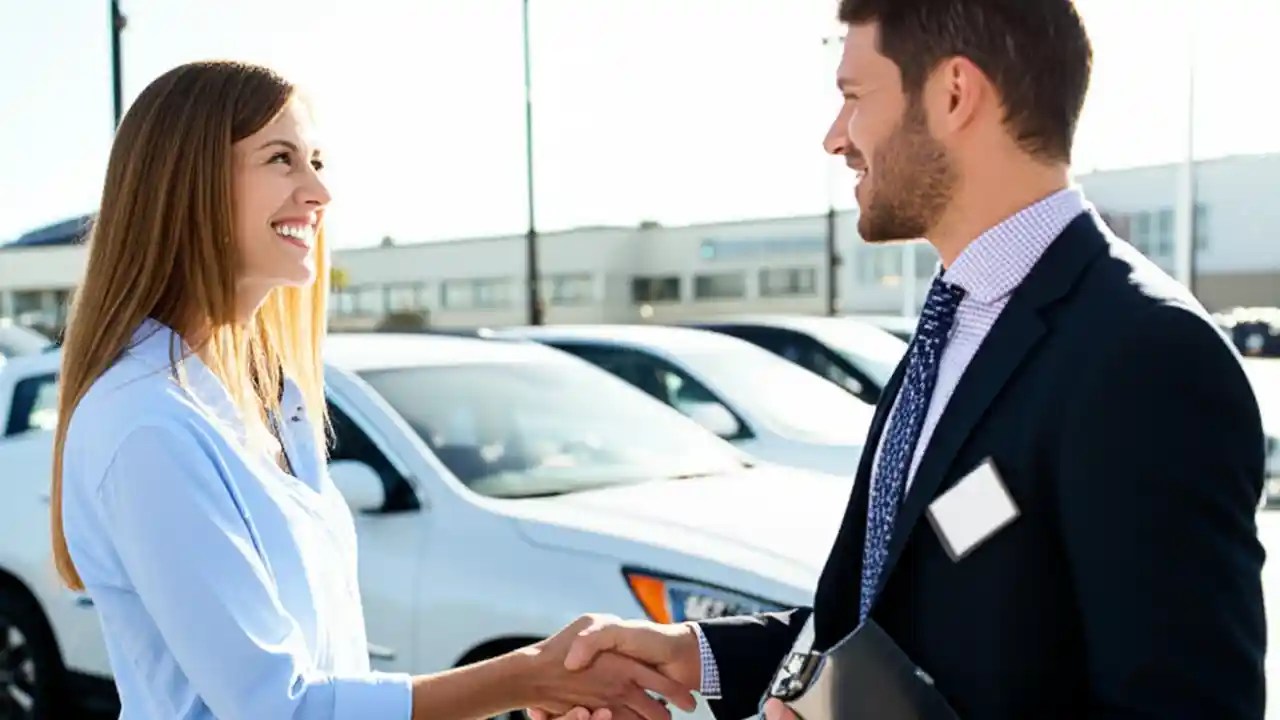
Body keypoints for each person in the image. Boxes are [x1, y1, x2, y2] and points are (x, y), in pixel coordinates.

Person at [530, 0, 1269, 718]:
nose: (834, 137)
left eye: (853, 96)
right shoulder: (955, 321)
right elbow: (890, 628)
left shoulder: (1146, 355)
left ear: (953, 94)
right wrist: (696, 655)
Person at [49, 60, 696, 720]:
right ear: (186, 184)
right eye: (282, 159)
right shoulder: (147, 425)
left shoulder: (276, 402)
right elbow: (278, 708)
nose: (318, 192)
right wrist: (528, 677)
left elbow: (327, 676)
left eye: (319, 161)